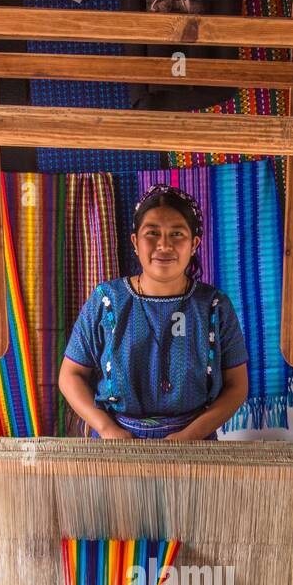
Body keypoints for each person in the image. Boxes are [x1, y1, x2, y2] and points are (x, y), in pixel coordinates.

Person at [59, 184, 249, 439]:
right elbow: (70, 375)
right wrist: (108, 429)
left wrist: (188, 438)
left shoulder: (214, 306)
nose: (164, 245)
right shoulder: (106, 301)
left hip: (194, 446)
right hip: (117, 446)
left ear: (194, 244)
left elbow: (237, 386)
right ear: (135, 242)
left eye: (177, 234)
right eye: (152, 233)